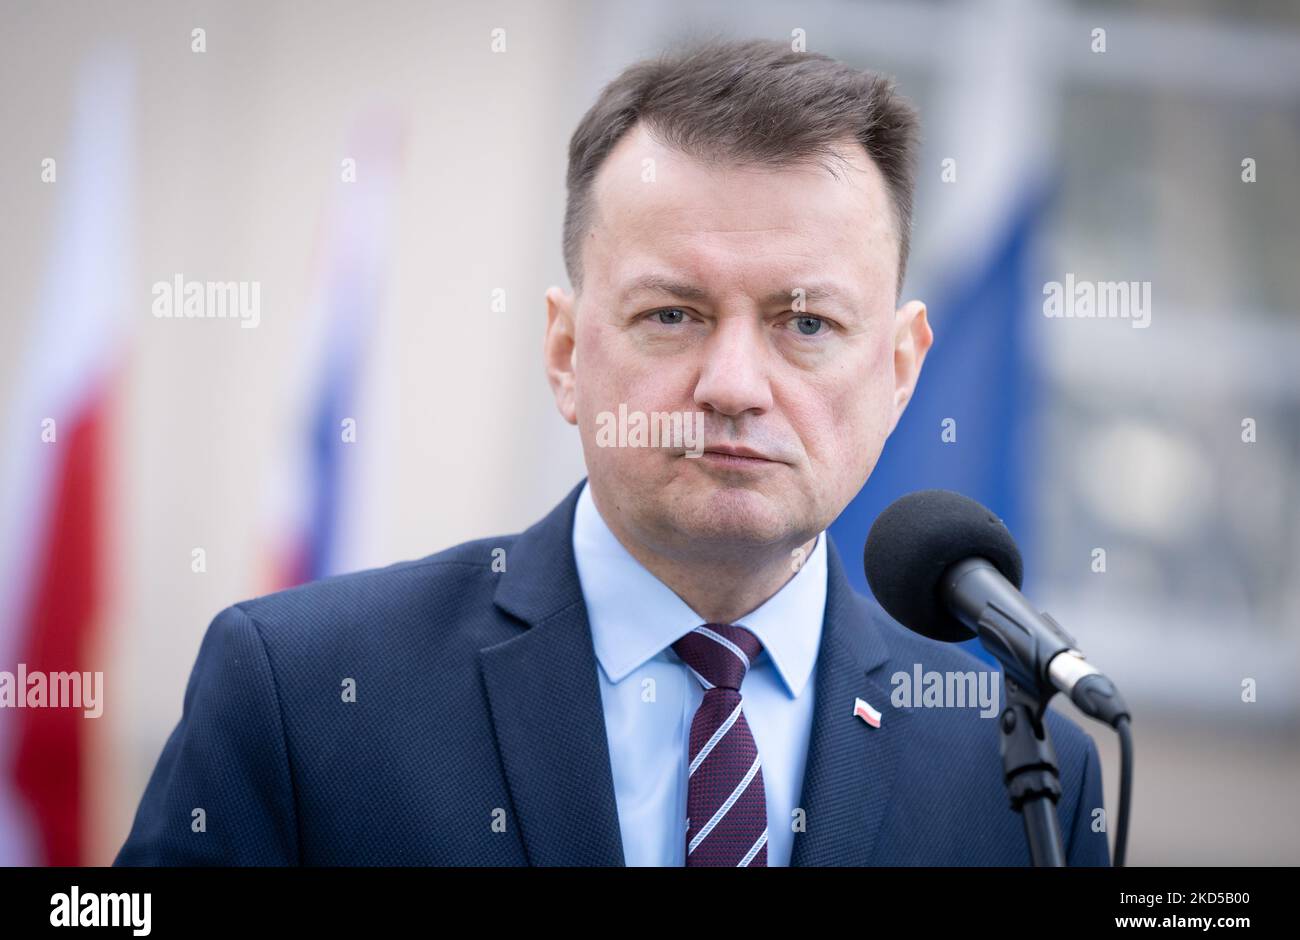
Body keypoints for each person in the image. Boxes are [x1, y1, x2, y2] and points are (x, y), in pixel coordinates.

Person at [116, 38, 1108, 866]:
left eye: (804, 322)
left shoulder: (1025, 780)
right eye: (671, 313)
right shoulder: (304, 690)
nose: (733, 383)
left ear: (898, 369)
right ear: (564, 351)